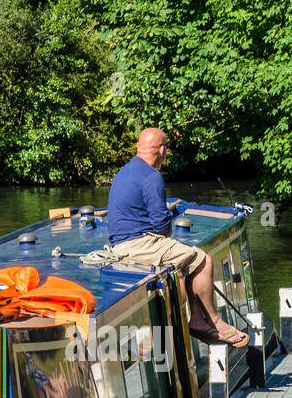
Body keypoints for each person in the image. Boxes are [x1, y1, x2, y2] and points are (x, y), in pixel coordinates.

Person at [106, 127, 248, 347]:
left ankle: (191, 321)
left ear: (138, 147)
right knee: (201, 259)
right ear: (162, 150)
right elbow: (163, 228)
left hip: (120, 244)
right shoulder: (151, 176)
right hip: (137, 245)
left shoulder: (123, 172)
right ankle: (210, 321)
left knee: (189, 256)